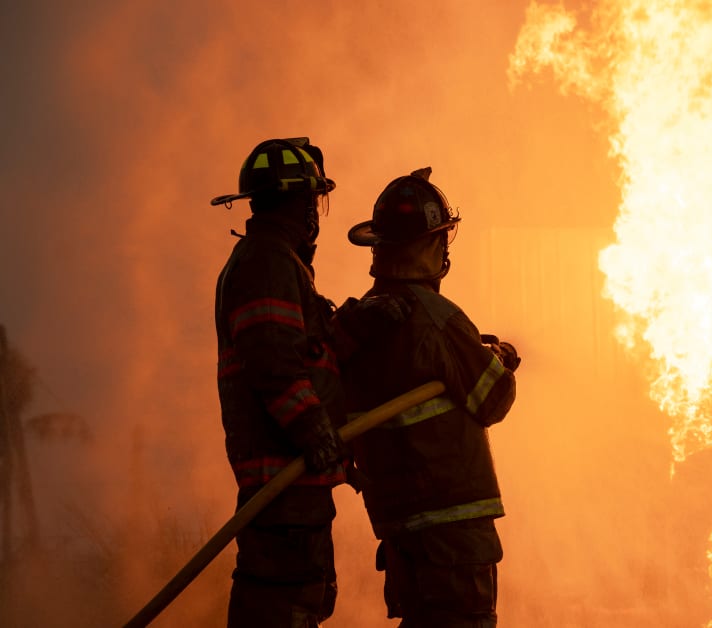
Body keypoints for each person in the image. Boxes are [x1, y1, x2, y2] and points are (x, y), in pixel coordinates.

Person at [336, 167, 520, 627]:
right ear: (431, 246)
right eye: (441, 240)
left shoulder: (358, 326)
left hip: (401, 530)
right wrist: (496, 361)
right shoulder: (437, 318)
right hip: (454, 535)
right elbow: (493, 398)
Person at [211, 137, 350, 628]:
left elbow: (303, 356)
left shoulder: (277, 263)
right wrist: (316, 430)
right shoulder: (267, 262)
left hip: (293, 487)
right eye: (314, 199)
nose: (316, 212)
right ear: (297, 201)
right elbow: (273, 362)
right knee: (280, 609)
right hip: (281, 484)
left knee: (299, 605)